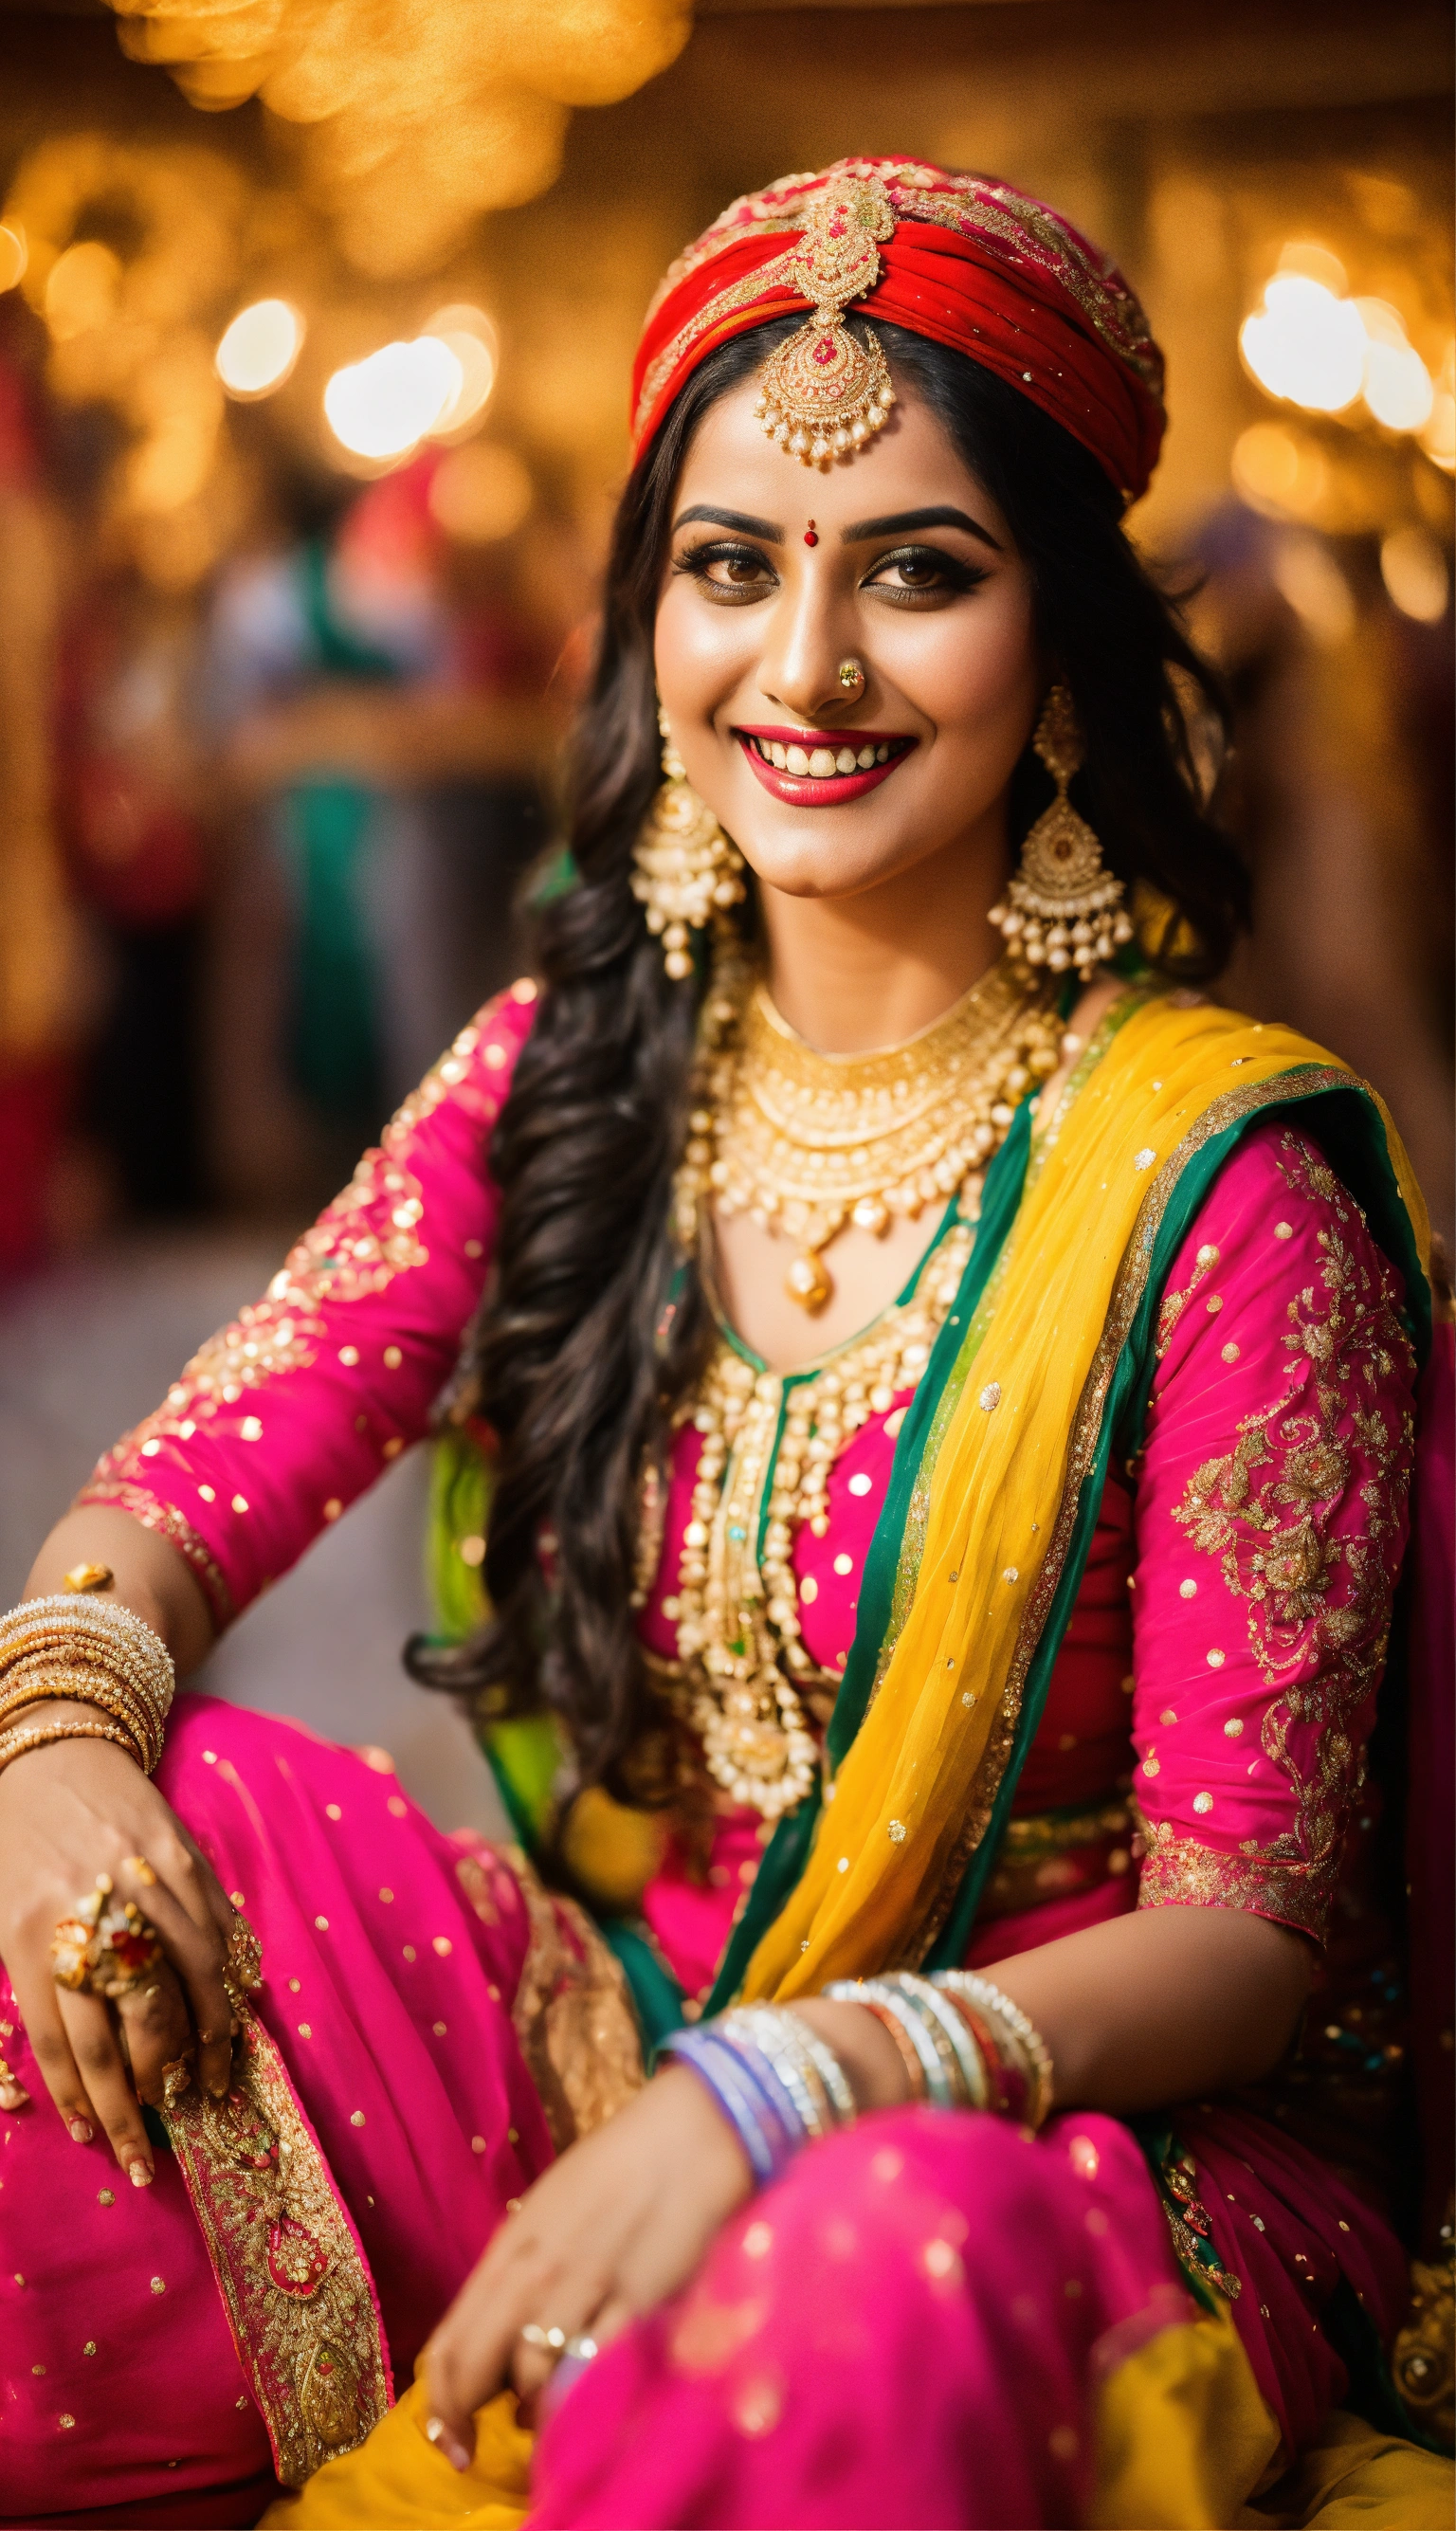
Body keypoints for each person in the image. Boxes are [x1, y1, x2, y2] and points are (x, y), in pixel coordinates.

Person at [0, 159, 1449, 2531]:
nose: (805, 669)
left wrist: (796, 2097)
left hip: (1060, 2149)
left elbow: (1255, 1944)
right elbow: (173, 1501)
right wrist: (58, 1734)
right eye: (733, 563)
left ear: (1064, 649)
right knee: (92, 1931)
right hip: (622, 2039)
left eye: (919, 572)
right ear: (649, 614)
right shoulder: (573, 1070)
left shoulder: (1222, 1187)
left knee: (865, 2285)